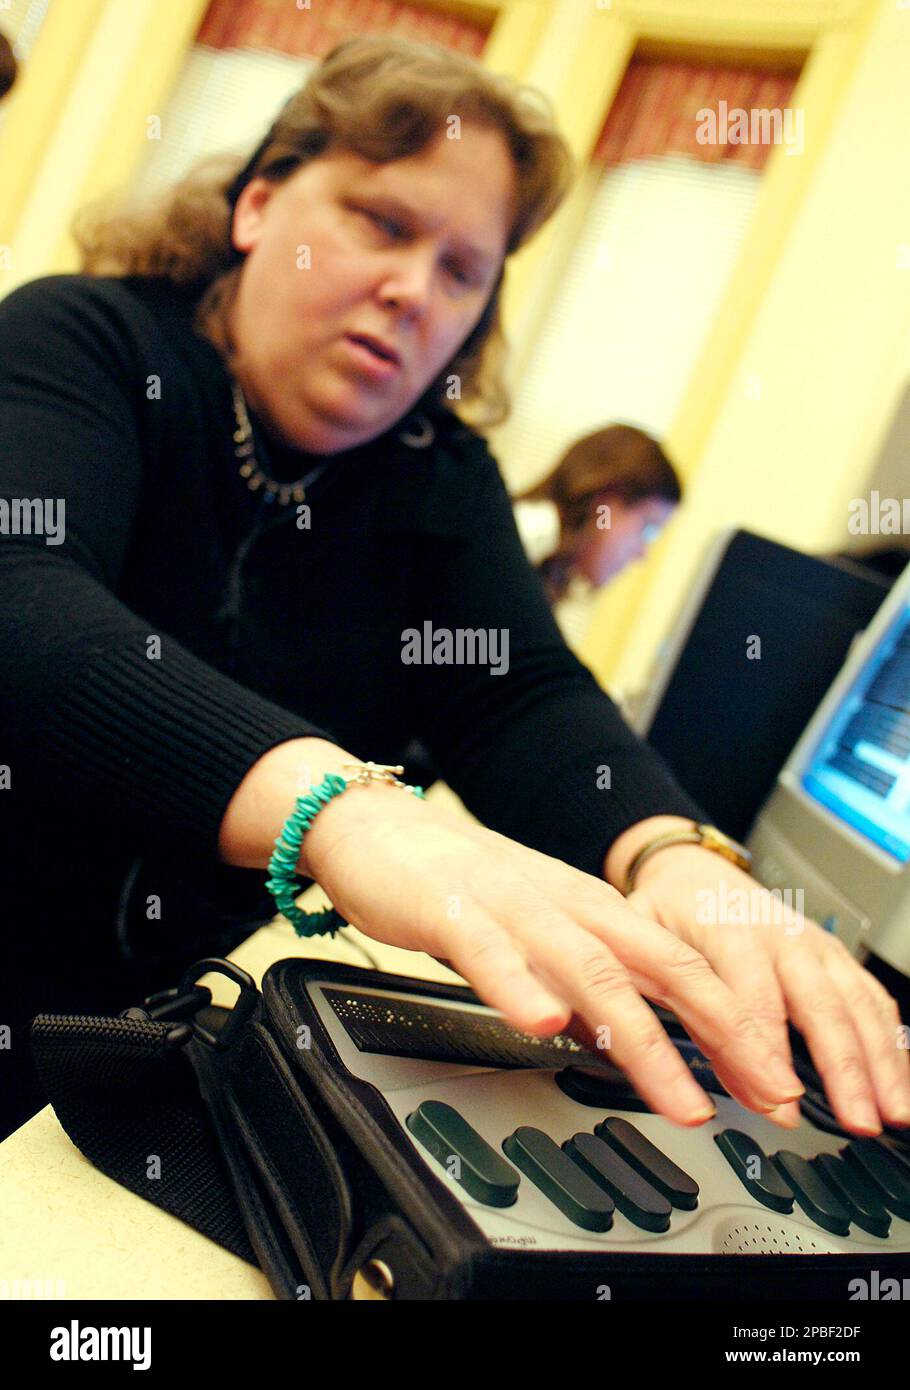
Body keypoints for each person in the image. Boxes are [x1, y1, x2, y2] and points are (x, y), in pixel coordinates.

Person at [1, 36, 907, 1147]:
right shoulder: (84, 340)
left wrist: (667, 853)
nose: (413, 292)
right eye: (382, 223)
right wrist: (345, 812)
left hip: (181, 1025)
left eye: (463, 271)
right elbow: (20, 592)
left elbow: (517, 696)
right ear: (259, 204)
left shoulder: (438, 472)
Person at [513, 424, 681, 605]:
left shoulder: (545, 566)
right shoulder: (524, 538)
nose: (641, 554)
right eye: (647, 529)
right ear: (605, 505)